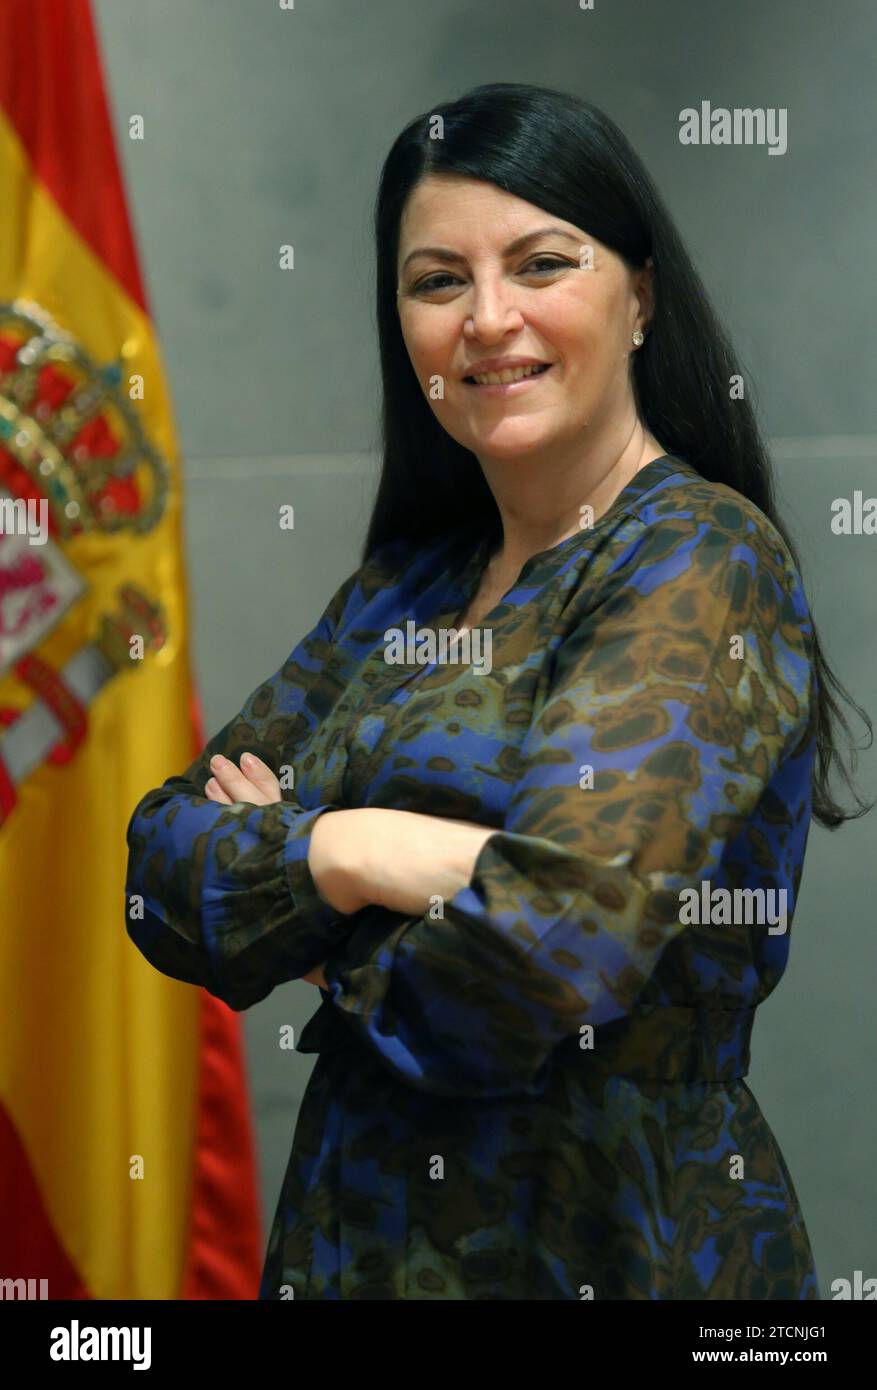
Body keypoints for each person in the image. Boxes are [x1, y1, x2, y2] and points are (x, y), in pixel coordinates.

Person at [124, 82, 872, 1300]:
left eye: (540, 263)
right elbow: (161, 874)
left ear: (639, 295)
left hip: (606, 1235)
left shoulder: (698, 556)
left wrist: (312, 869)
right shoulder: (408, 583)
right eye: (435, 280)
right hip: (352, 1234)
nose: (488, 318)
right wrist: (367, 852)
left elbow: (553, 949)